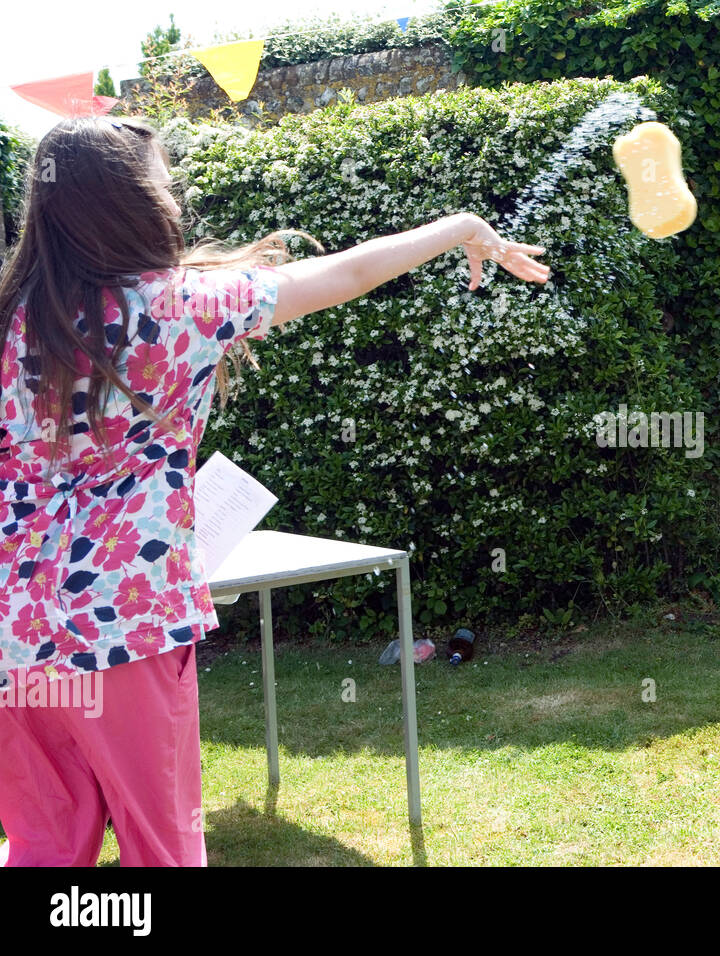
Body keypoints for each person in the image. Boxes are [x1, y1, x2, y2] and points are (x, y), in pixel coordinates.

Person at [0, 115, 548, 866]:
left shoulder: (11, 320)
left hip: (12, 633)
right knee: (162, 848)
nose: (173, 195)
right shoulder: (180, 308)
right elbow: (347, 274)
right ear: (130, 202)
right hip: (127, 627)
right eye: (162, 181)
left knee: (41, 846)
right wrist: (459, 225)